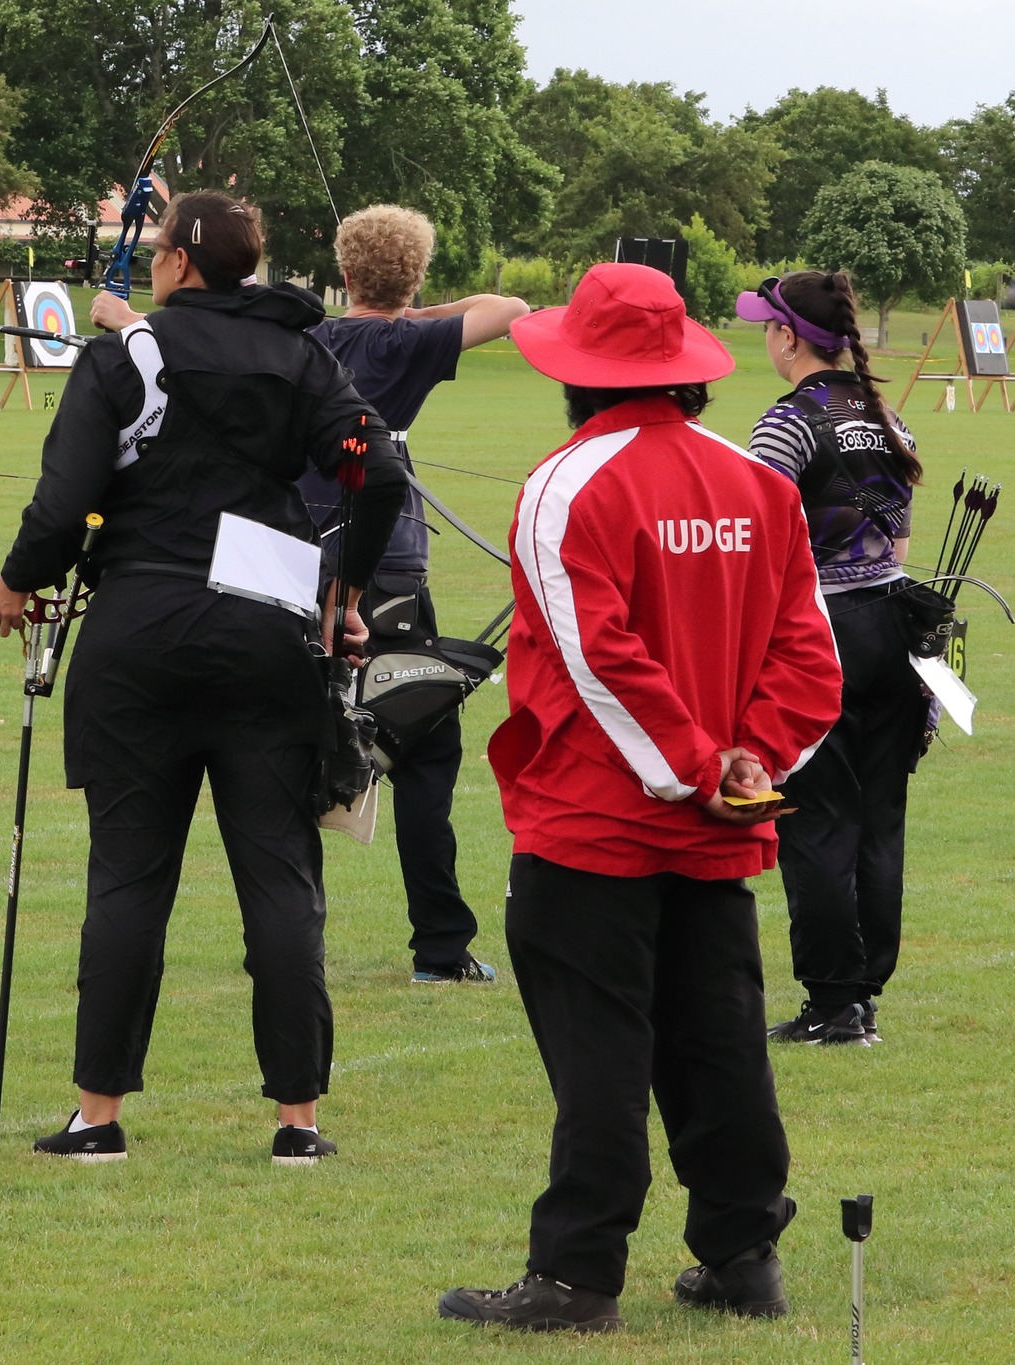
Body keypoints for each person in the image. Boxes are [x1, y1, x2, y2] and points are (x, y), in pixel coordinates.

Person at [437, 263, 842, 1332]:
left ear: (576, 370)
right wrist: (747, 763)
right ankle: (741, 1252)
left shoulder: (568, 483)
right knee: (718, 1038)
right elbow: (809, 657)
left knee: (598, 1054)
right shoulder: (756, 483)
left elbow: (594, 658)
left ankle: (574, 1276)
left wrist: (696, 768)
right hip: (721, 814)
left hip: (598, 815)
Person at [0, 190, 405, 1165]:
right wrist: (345, 592)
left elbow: (62, 502)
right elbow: (372, 469)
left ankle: (99, 1116)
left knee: (128, 877)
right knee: (280, 881)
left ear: (173, 262)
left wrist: (13, 585)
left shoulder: (127, 354)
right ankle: (297, 1126)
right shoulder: (300, 356)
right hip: (264, 637)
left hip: (140, 636)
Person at [291, 204, 530, 985]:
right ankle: (439, 948)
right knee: (424, 750)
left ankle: (292, 936)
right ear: (416, 277)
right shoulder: (408, 342)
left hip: (301, 564)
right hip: (386, 567)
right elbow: (512, 309)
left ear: (345, 273)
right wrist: (412, 311)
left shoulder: (310, 341)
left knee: (298, 740)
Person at [736, 271, 926, 1047]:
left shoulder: (785, 425)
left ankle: (834, 1000)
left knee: (816, 817)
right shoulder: (886, 414)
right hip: (894, 626)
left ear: (788, 336)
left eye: (767, 327)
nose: (764, 338)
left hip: (820, 633)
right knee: (880, 817)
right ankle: (862, 990)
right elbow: (900, 542)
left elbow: (754, 550)